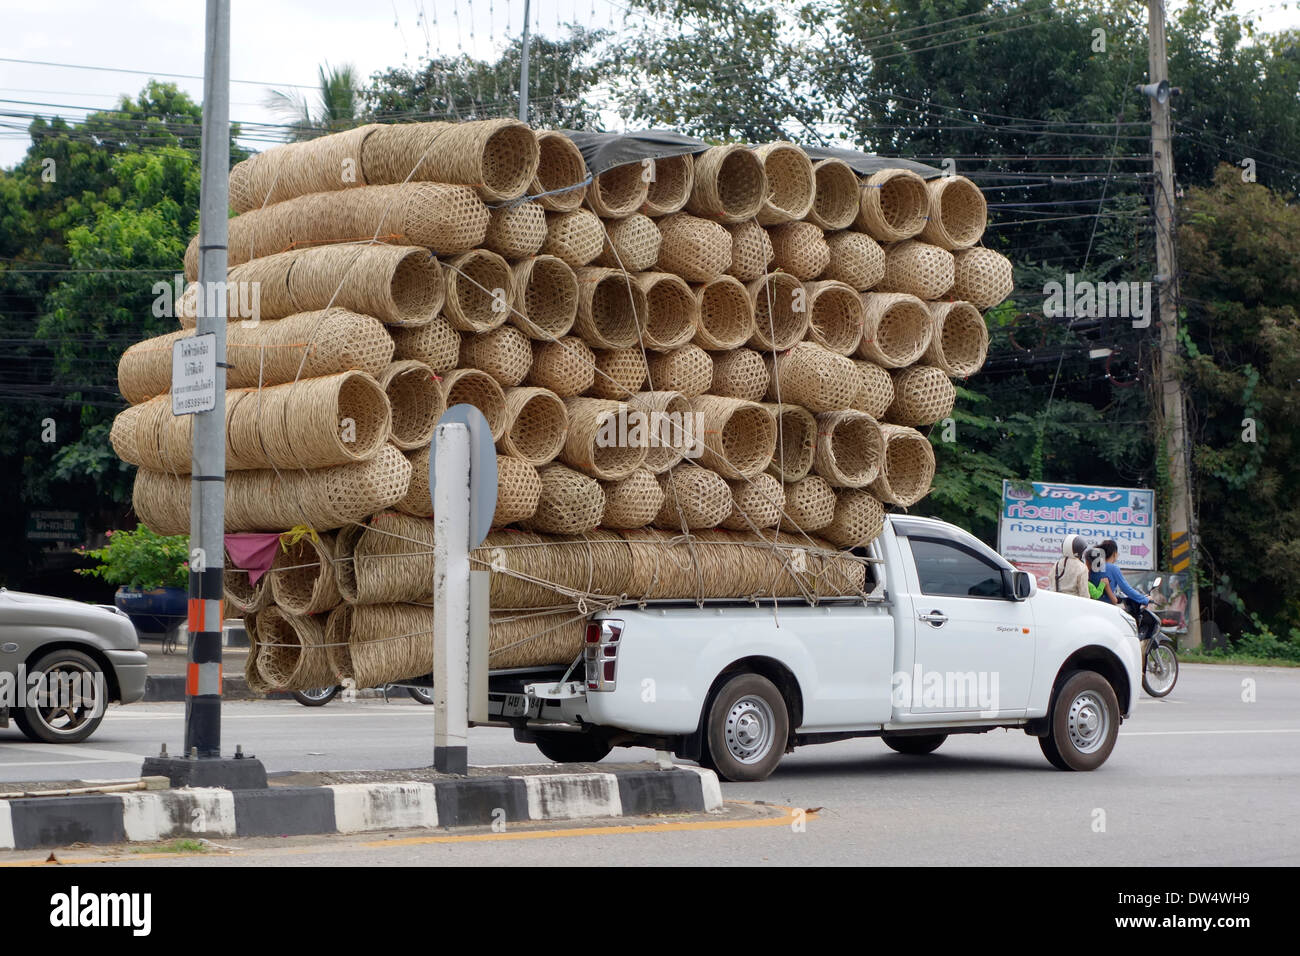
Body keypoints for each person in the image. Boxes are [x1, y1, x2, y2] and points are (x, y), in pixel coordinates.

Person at [1093, 539, 1150, 607]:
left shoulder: (1095, 567)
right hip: (1106, 607)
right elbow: (1126, 589)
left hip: (1093, 605)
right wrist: (1145, 599)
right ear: (1114, 553)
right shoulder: (1113, 568)